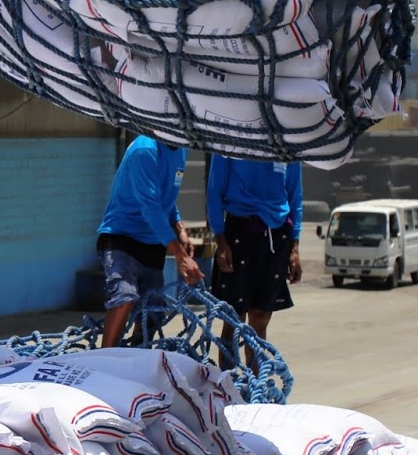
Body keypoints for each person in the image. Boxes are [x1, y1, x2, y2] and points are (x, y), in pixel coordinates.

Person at [94, 134, 202, 348]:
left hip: (152, 243)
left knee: (153, 307)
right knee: (124, 297)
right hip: (121, 237)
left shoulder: (180, 149)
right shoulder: (144, 150)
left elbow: (167, 197)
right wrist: (180, 255)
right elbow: (150, 205)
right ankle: (104, 358)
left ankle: (138, 354)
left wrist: (179, 227)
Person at [207, 154, 303, 366]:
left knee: (261, 318)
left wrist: (294, 248)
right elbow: (214, 192)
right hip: (239, 233)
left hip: (277, 235)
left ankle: (255, 387)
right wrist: (221, 241)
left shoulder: (286, 141)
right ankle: (229, 387)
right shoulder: (230, 140)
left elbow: (295, 196)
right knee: (233, 319)